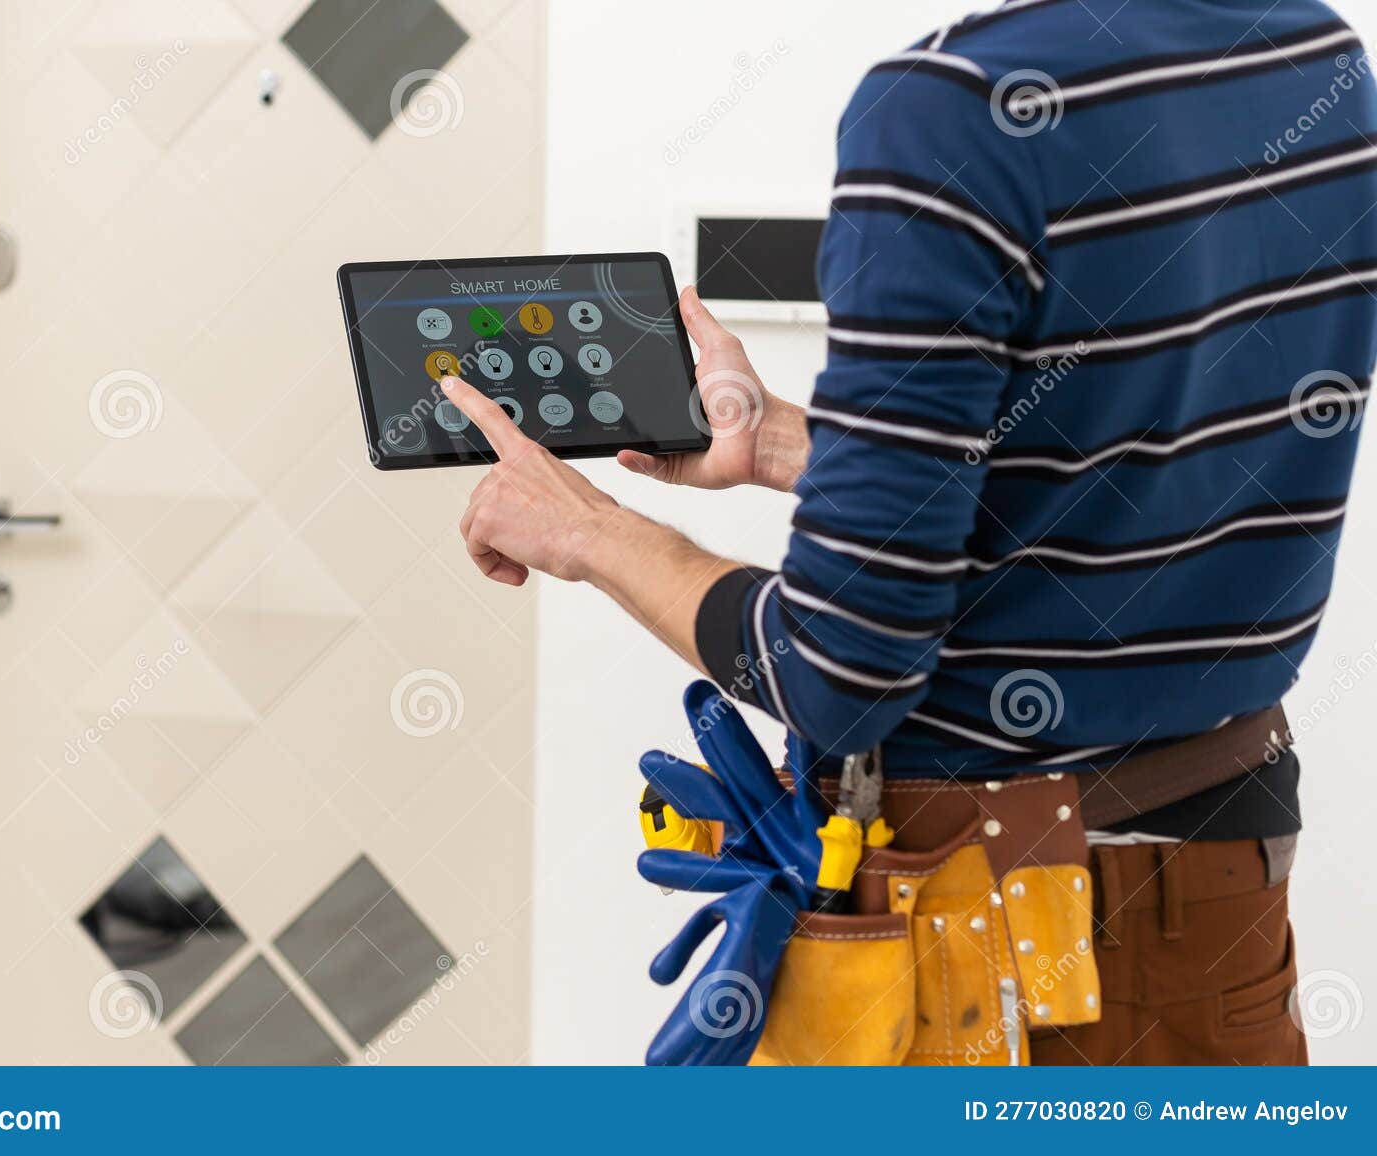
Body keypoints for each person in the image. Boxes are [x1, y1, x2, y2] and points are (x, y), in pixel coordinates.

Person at [445, 0, 1377, 1064]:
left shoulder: (949, 109)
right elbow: (1140, 446)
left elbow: (843, 671)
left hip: (1003, 950)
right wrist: (814, 449)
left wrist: (592, 532)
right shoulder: (1305, 47)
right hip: (1225, 897)